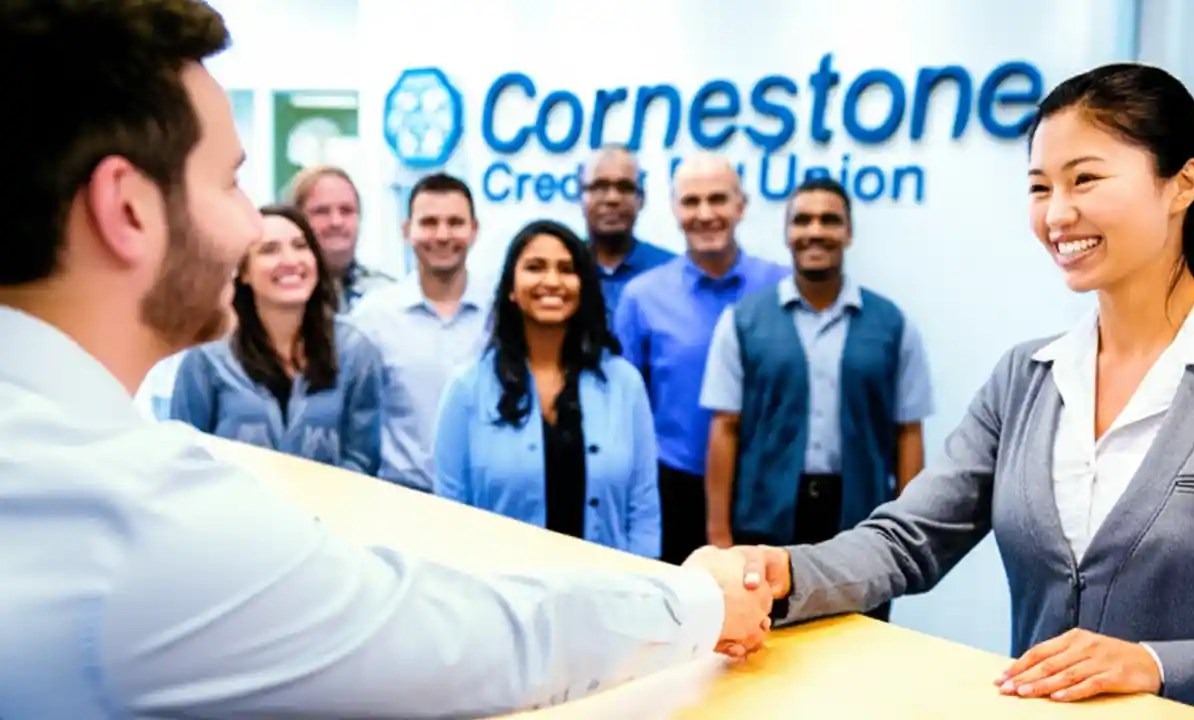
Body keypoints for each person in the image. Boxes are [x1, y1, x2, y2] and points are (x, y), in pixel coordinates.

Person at [0, 3, 772, 717]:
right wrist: (699, 601)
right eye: (231, 181)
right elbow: (483, 641)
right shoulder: (143, 520)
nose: (252, 226)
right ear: (126, 209)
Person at [727, 63, 1194, 719]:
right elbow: (908, 539)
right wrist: (777, 571)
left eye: (1085, 179)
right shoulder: (1026, 377)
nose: (1056, 214)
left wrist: (1156, 664)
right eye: (1039, 187)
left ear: (1182, 184)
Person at [699, 178, 935, 621]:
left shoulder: (892, 324)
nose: (815, 230)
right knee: (762, 648)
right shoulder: (743, 321)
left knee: (858, 649)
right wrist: (718, 533)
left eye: (830, 220)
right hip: (765, 520)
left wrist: (909, 530)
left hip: (862, 528)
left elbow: (908, 433)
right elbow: (724, 428)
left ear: (848, 233)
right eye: (803, 220)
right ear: (787, 232)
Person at [435, 220, 660, 557]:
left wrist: (643, 592)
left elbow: (642, 511)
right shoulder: (466, 388)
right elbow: (449, 514)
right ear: (511, 288)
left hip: (607, 596)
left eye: (567, 269)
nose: (552, 281)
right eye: (535, 267)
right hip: (501, 597)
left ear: (583, 285)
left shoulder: (624, 384)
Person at [613, 153, 789, 565]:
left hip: (766, 491)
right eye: (691, 202)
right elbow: (626, 407)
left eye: (718, 199)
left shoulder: (780, 288)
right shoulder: (642, 297)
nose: (705, 213)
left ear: (740, 206)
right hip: (673, 491)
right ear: (674, 209)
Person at [170, 205, 384, 475]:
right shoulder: (207, 356)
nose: (291, 260)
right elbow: (184, 455)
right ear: (243, 272)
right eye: (269, 250)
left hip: (327, 514)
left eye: (300, 245)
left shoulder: (355, 350)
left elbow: (364, 458)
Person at [350, 172, 492, 492]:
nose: (442, 235)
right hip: (402, 502)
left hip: (488, 506)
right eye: (429, 223)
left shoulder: (502, 313)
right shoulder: (372, 318)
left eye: (455, 222)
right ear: (406, 230)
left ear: (474, 230)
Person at [579, 145, 676, 315]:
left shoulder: (671, 272)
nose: (612, 198)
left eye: (625, 188)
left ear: (641, 199)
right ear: (581, 197)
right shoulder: (563, 268)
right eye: (600, 187)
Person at [286, 164, 395, 312]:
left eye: (346, 211)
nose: (336, 222)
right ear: (295, 220)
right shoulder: (280, 292)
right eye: (321, 211)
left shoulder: (389, 297)